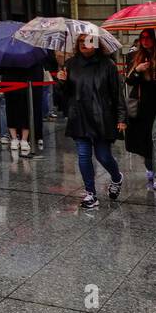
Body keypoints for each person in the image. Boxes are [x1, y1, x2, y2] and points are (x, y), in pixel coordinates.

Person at [56, 34, 127, 211]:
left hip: (102, 117)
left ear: (95, 43)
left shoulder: (108, 65)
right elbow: (64, 96)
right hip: (79, 116)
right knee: (83, 155)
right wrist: (62, 82)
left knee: (103, 155)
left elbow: (117, 93)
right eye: (80, 42)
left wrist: (121, 118)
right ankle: (90, 193)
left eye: (87, 41)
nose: (83, 45)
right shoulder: (71, 64)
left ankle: (116, 177)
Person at [125, 29, 156, 190]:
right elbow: (128, 80)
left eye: (148, 38)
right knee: (144, 141)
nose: (144, 41)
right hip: (142, 106)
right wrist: (138, 71)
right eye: (142, 38)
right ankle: (151, 167)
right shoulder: (135, 57)